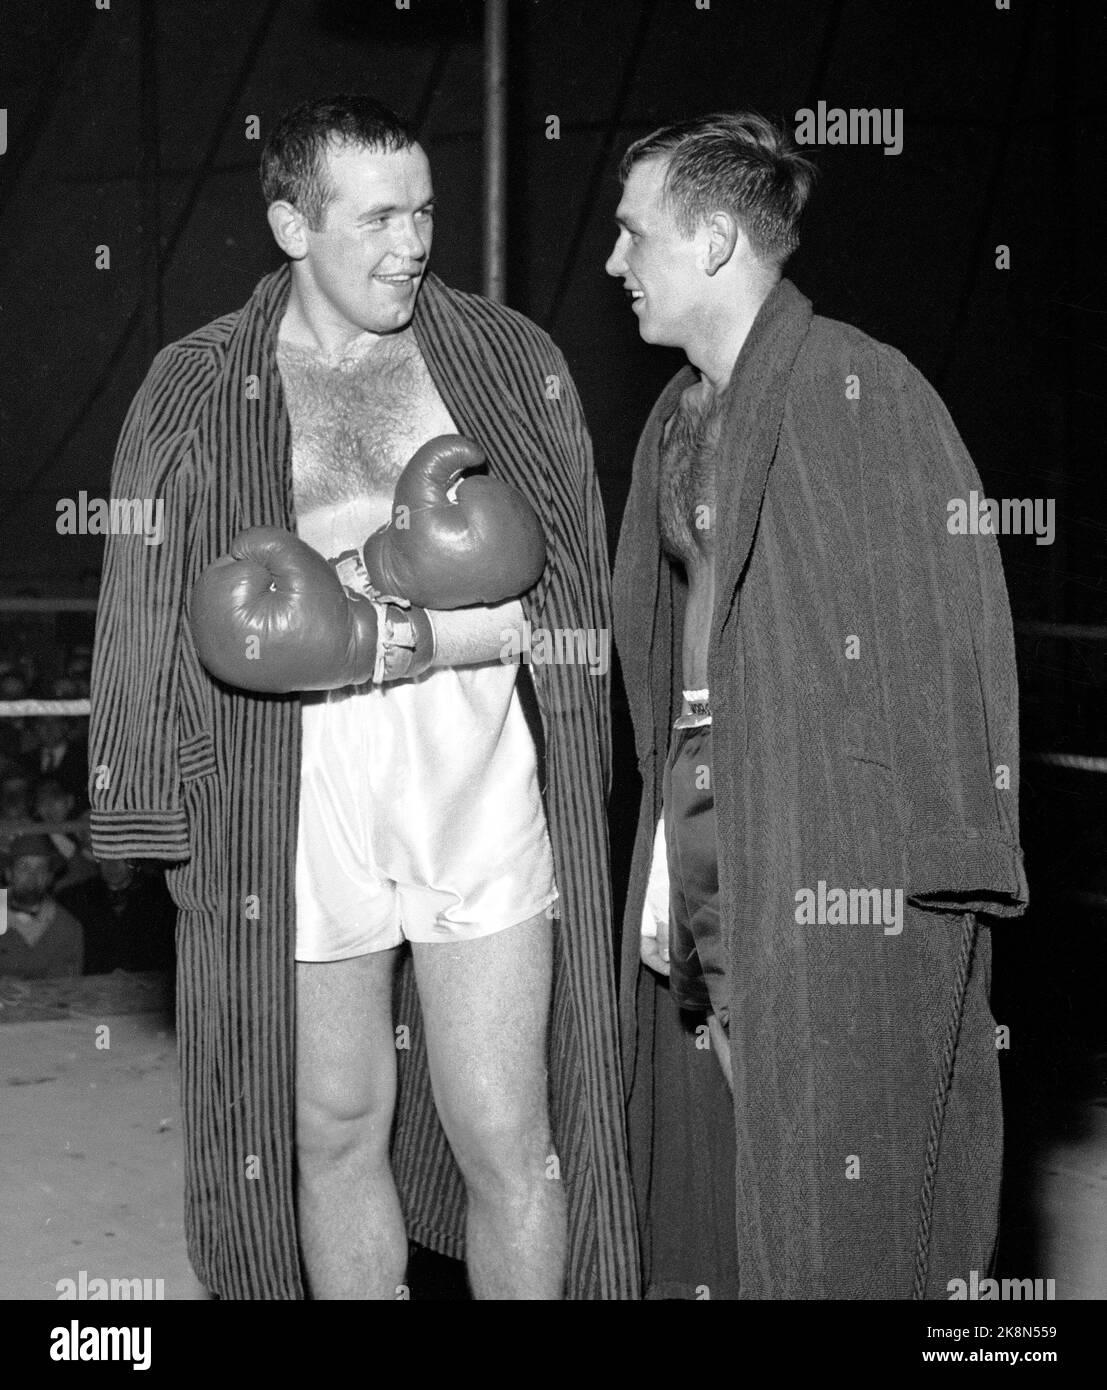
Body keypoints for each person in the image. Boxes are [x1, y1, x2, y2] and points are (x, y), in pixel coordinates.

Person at [89, 94, 637, 1300]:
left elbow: (578, 584)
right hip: (293, 778)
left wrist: (586, 751)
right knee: (331, 1130)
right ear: (291, 222)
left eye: (425, 209)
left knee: (507, 1128)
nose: (412, 241)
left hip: (476, 773)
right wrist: (146, 808)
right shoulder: (195, 385)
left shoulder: (501, 357)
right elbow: (140, 600)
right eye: (377, 215)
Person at [609, 112, 1028, 1299]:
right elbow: (670, 651)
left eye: (636, 233)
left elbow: (951, 642)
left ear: (714, 240)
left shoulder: (860, 387)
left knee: (845, 1197)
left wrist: (931, 884)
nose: (614, 261)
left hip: (825, 857)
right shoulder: (679, 416)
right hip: (708, 841)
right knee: (742, 1167)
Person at [0, 833, 84, 979]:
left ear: (50, 877)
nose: (32, 876)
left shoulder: (67, 927)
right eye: (23, 867)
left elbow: (65, 988)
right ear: (9, 874)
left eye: (41, 868)